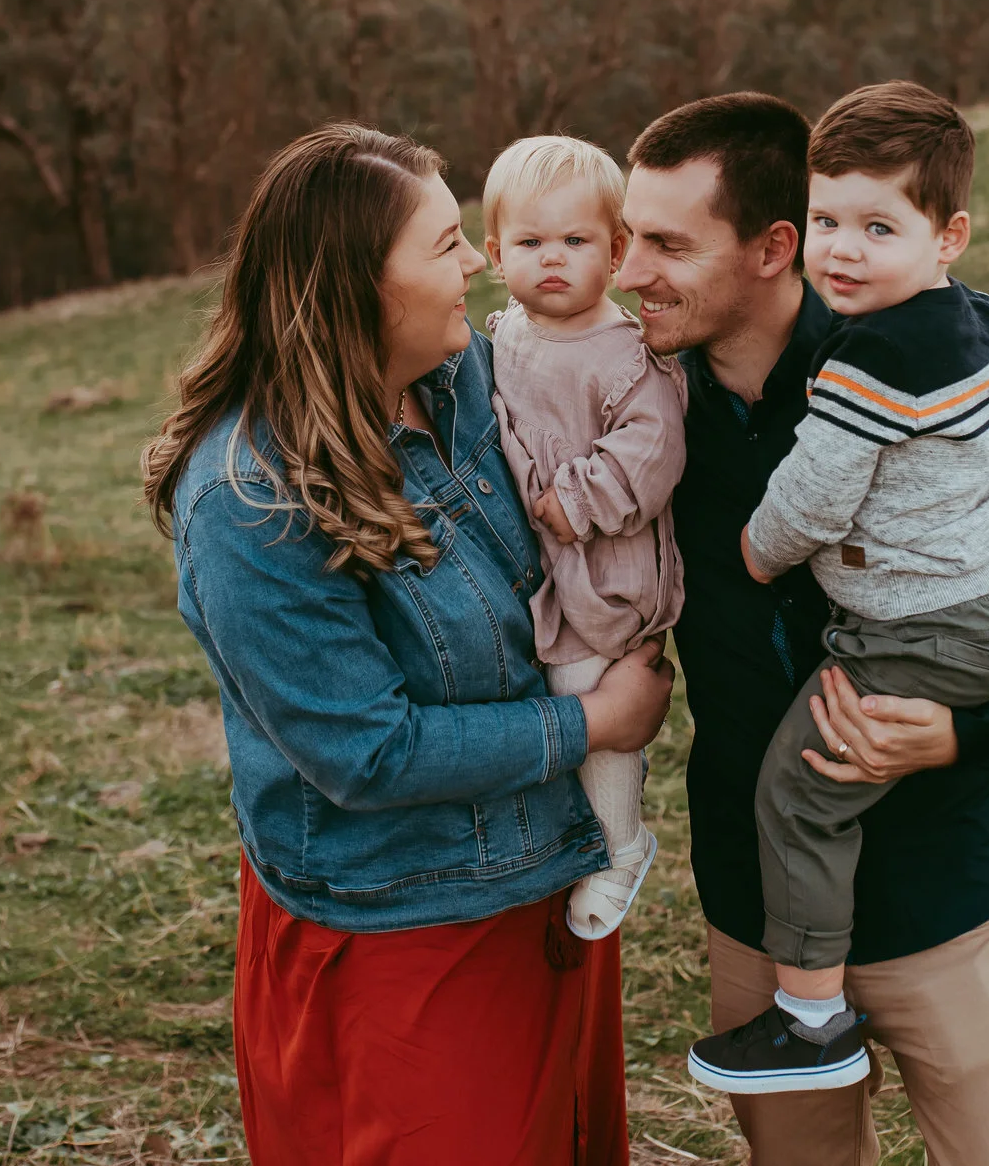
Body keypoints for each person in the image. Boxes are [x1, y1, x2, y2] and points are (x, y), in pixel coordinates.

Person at [615, 92, 989, 1166]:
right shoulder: (638, 410)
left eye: (666, 243)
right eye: (630, 237)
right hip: (756, 901)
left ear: (774, 248)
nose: (631, 272)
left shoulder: (917, 372)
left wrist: (973, 731)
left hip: (946, 889)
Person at [140, 124, 676, 1166]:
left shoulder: (466, 374)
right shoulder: (248, 500)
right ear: (357, 288)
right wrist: (592, 722)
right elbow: (365, 751)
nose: (480, 262)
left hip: (548, 872)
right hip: (404, 925)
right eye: (443, 245)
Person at [480, 135, 688, 940]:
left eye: (576, 241)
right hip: (541, 563)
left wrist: (572, 501)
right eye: (531, 243)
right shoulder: (508, 336)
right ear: (497, 253)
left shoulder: (626, 355)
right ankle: (569, 831)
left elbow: (652, 450)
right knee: (545, 695)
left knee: (587, 701)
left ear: (617, 249)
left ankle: (619, 842)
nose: (553, 260)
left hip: (606, 565)